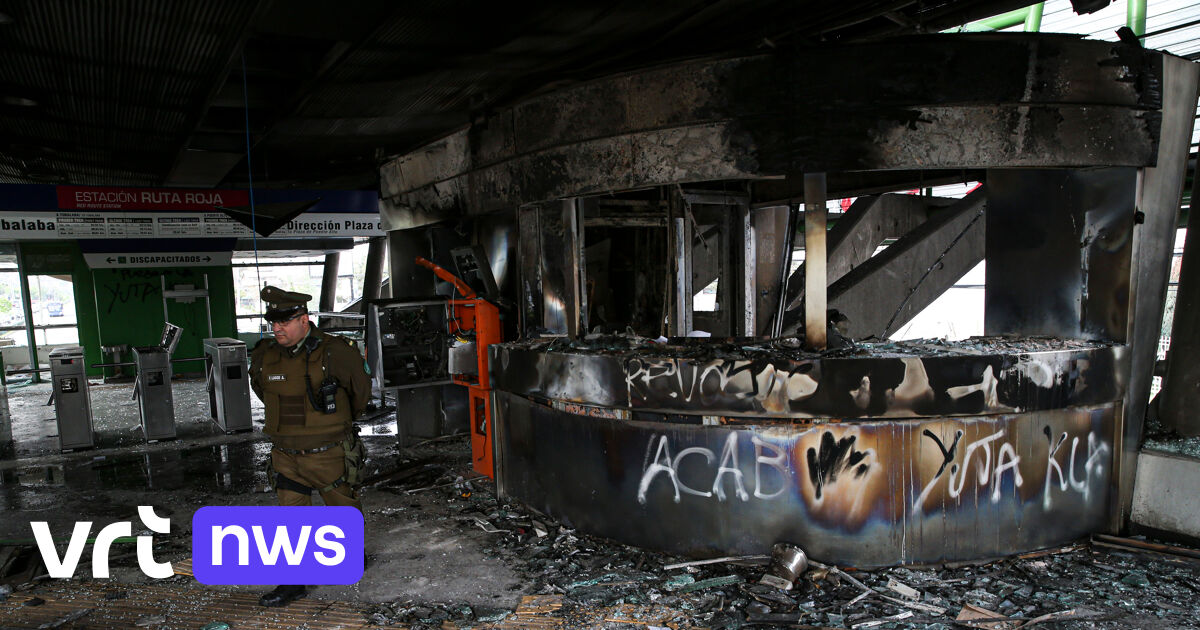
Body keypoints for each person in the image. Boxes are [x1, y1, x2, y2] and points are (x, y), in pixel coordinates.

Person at [249, 285, 370, 607]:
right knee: (291, 521)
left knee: (343, 512)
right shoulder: (264, 353)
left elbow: (360, 392)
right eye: (273, 322)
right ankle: (292, 583)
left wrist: (332, 424)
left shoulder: (336, 351)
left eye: (284, 322)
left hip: (329, 453)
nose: (277, 328)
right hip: (285, 455)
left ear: (304, 319)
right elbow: (262, 390)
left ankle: (351, 556)